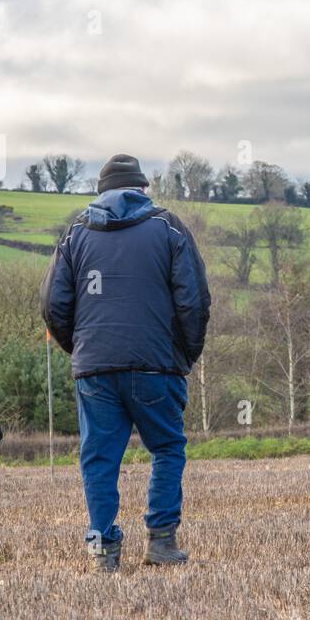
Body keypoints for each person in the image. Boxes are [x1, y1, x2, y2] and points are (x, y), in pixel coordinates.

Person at [41, 154, 210, 573]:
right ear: (142, 189)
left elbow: (53, 306)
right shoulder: (168, 228)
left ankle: (103, 548)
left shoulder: (75, 234)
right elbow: (194, 301)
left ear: (101, 191)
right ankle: (162, 541)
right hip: (157, 366)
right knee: (168, 449)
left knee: (99, 458)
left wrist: (81, 349)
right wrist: (183, 356)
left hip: (94, 369)